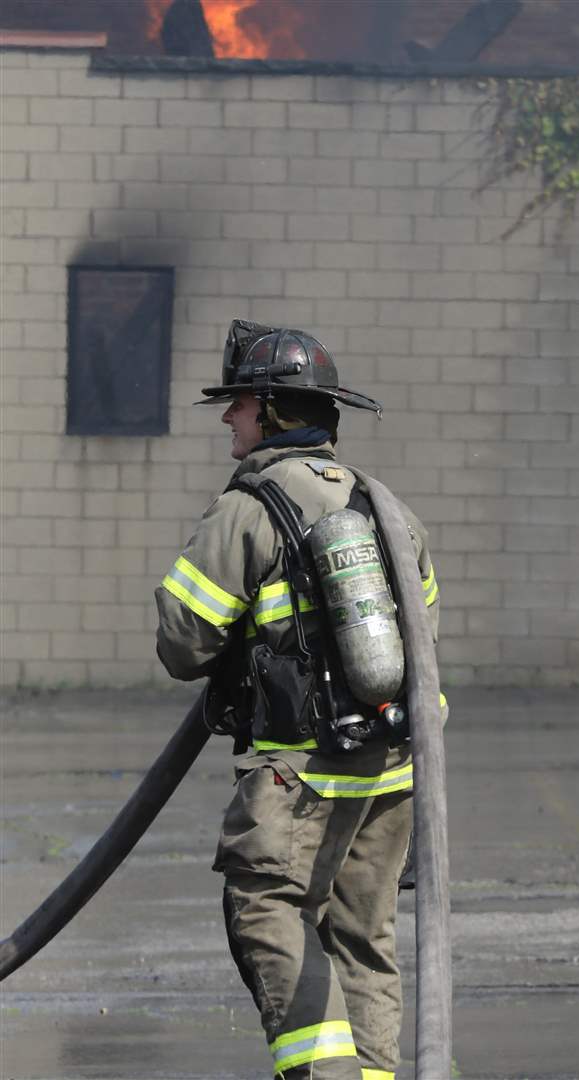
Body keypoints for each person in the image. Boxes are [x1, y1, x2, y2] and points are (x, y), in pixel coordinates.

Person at [155, 320, 441, 1080]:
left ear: (273, 411)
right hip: (391, 764)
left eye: (240, 403)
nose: (228, 418)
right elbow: (426, 630)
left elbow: (183, 641)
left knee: (266, 908)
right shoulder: (384, 506)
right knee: (362, 934)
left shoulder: (250, 506)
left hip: (301, 767)